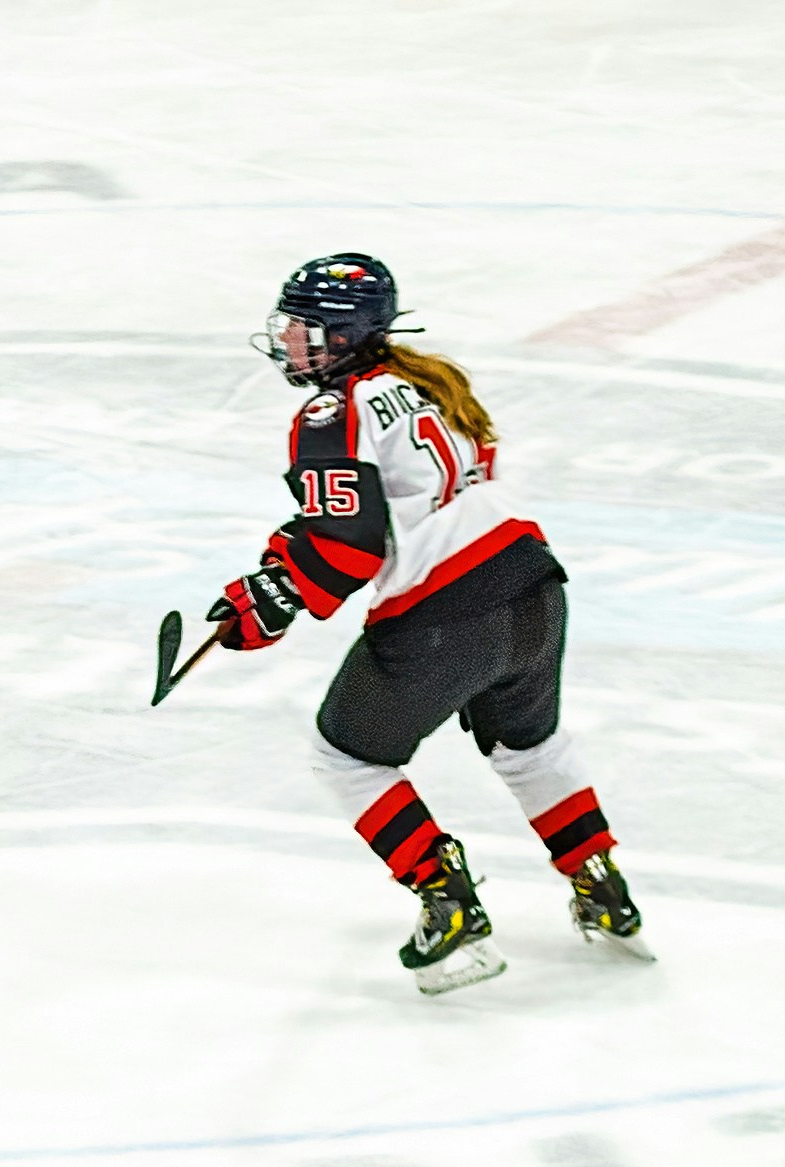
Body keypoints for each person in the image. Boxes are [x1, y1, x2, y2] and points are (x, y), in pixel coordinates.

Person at [203, 253, 647, 993]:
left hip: (444, 614)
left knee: (345, 755)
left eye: (304, 329)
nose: (288, 342)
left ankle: (448, 905)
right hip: (532, 583)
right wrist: (280, 563)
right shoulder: (428, 384)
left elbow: (347, 545)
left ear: (345, 336)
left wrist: (271, 602)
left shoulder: (329, 412)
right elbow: (399, 507)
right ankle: (600, 884)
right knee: (528, 747)